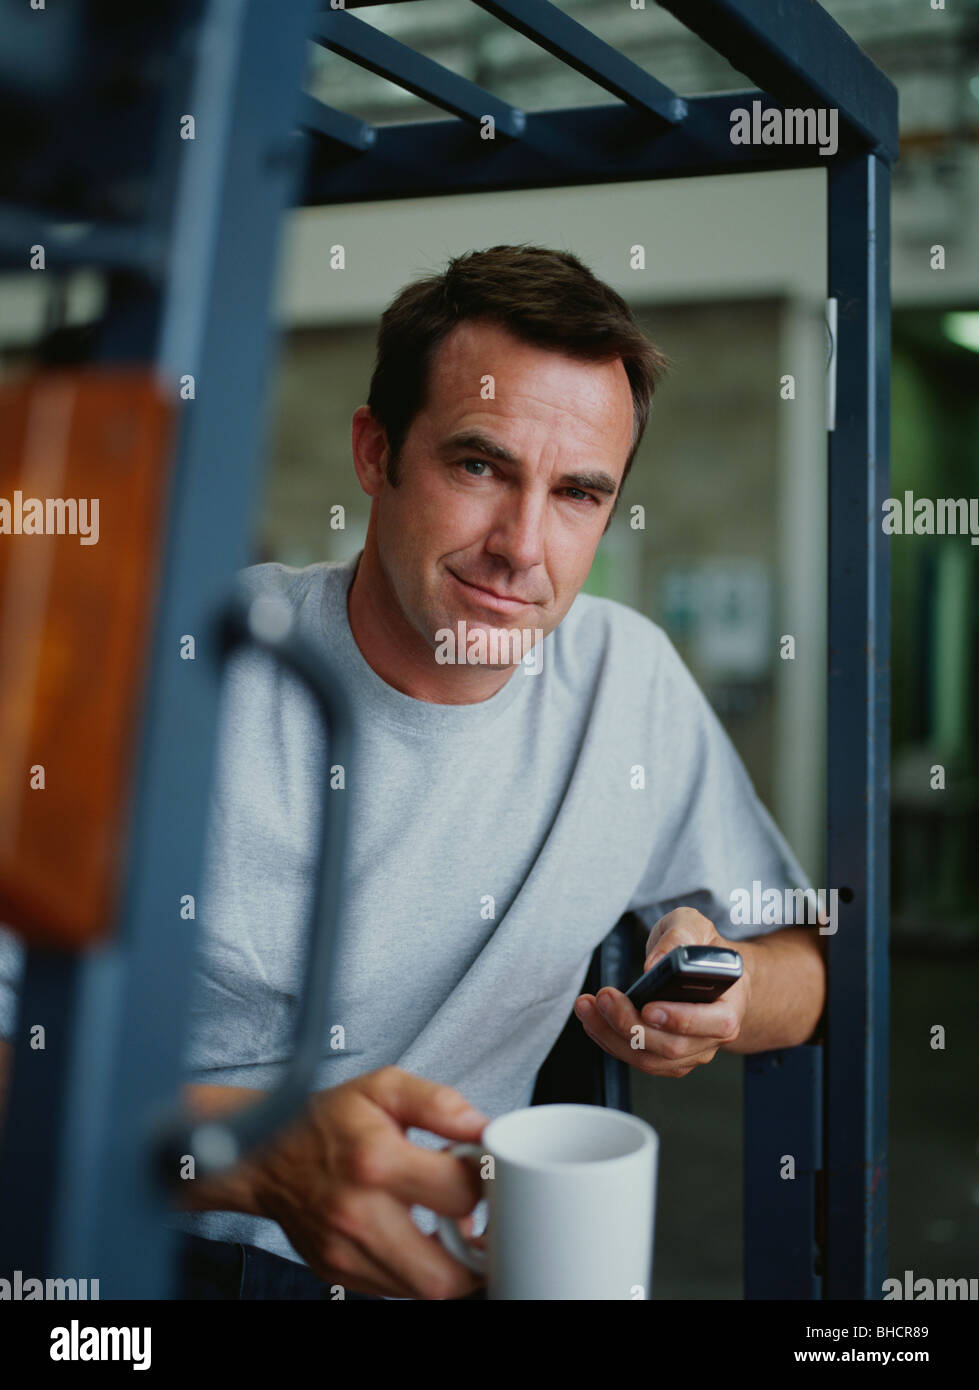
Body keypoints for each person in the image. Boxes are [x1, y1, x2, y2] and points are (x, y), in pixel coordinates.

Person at [0, 244, 826, 1301]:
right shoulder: (170, 671)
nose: (521, 546)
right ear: (374, 449)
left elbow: (808, 965)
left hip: (456, 1274)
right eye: (479, 465)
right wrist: (257, 1153)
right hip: (153, 1269)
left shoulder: (627, 681)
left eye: (577, 493)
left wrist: (727, 994)